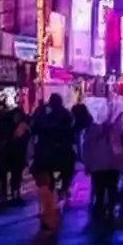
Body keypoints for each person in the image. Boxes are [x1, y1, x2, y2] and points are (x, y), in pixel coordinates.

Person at [32, 95, 76, 232]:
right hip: (61, 156)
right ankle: (52, 213)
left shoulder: (44, 117)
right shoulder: (66, 117)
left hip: (45, 156)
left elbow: (35, 129)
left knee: (46, 186)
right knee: (54, 185)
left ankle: (47, 214)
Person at [83, 105, 123, 222]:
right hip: (113, 164)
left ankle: (99, 211)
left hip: (98, 165)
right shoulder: (116, 129)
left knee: (99, 189)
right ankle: (110, 209)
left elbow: (87, 148)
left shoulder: (91, 130)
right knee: (111, 188)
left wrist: (87, 163)